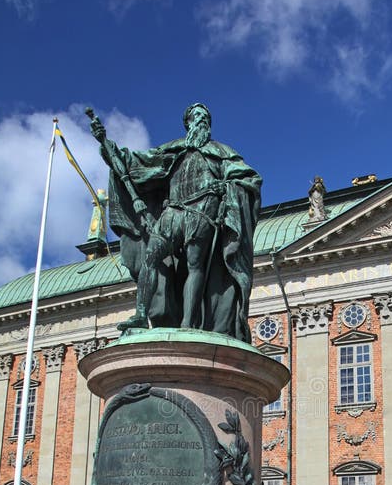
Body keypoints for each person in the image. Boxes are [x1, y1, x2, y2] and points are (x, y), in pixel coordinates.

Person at [89, 103, 262, 342]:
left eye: (204, 117)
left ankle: (188, 323)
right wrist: (108, 145)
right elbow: (137, 163)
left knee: (195, 266)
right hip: (172, 211)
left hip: (202, 214)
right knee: (151, 256)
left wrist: (231, 188)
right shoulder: (174, 149)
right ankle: (141, 313)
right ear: (188, 123)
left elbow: (248, 178)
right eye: (196, 116)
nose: (201, 120)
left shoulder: (221, 151)